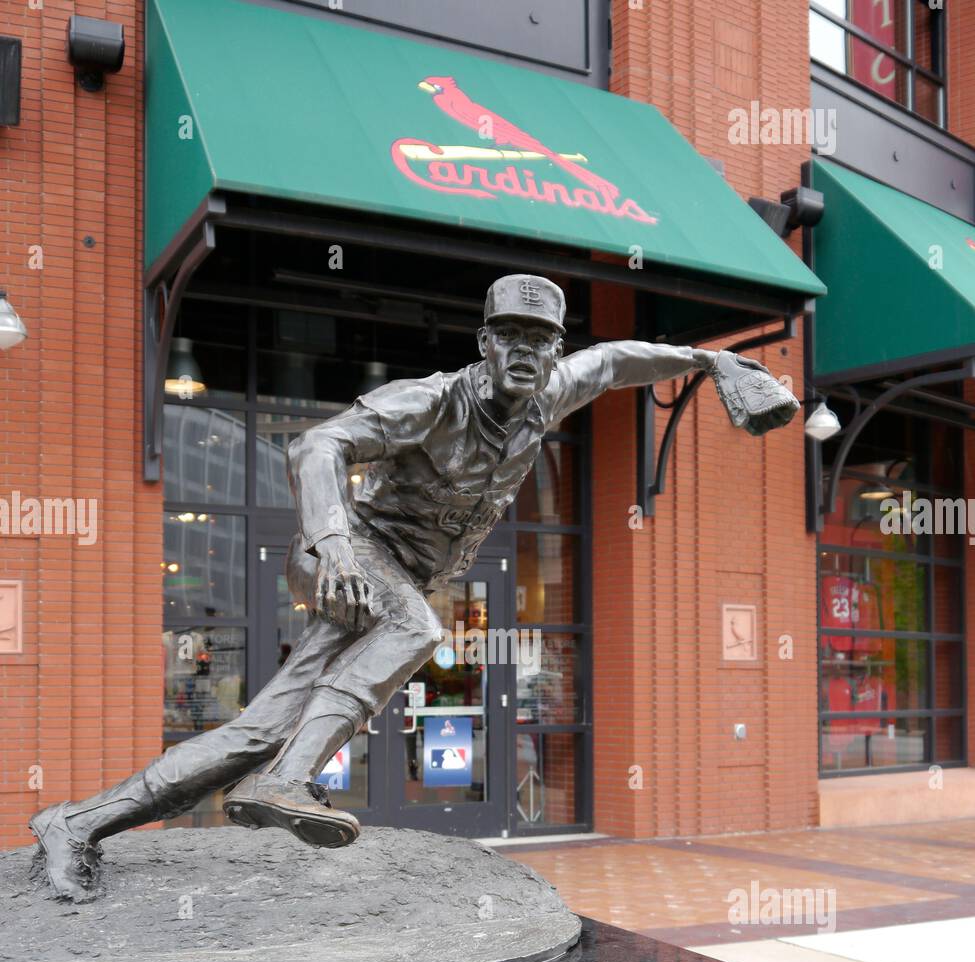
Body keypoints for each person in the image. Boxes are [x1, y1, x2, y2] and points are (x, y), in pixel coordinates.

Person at [31, 274, 728, 901]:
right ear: (486, 343)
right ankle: (284, 781)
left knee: (258, 730)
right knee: (416, 628)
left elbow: (613, 361)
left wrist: (706, 360)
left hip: (393, 575)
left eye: (540, 340)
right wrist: (331, 543)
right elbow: (317, 446)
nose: (525, 352)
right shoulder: (431, 398)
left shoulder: (549, 395)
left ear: (552, 351)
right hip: (344, 553)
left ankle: (75, 824)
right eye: (511, 336)